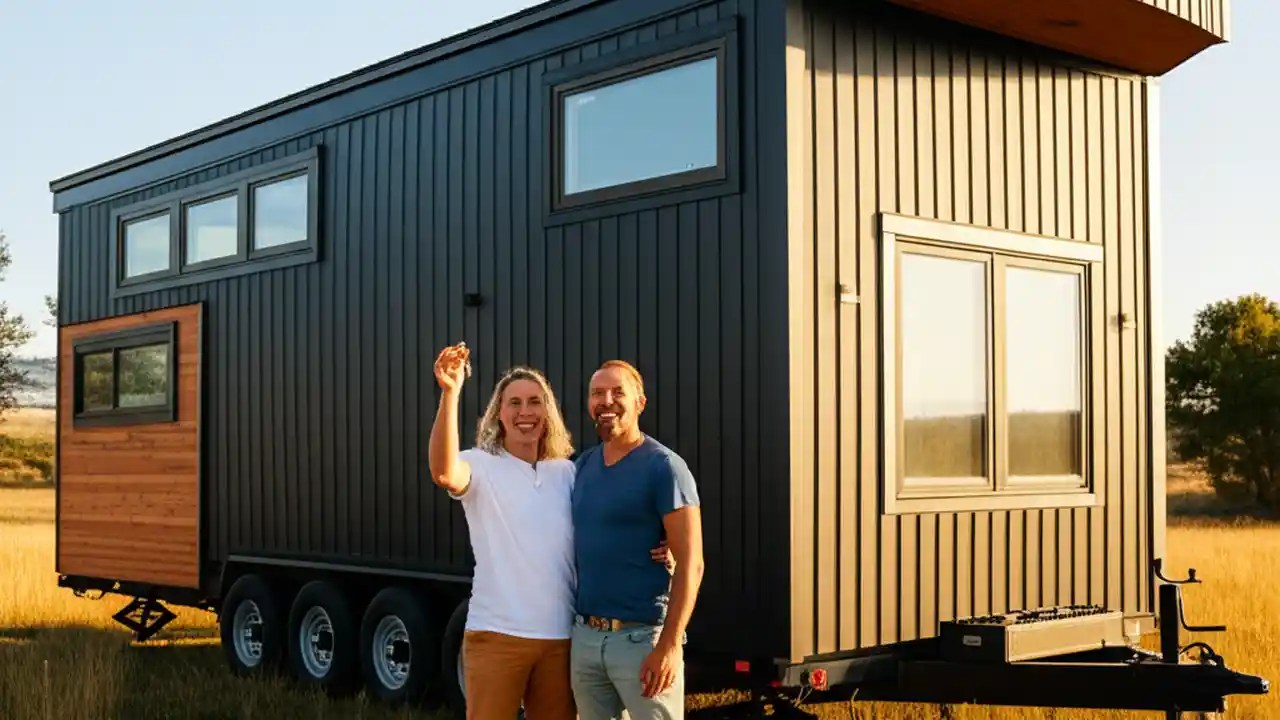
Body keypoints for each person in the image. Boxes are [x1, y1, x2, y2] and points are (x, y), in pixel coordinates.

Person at [427, 343, 671, 720]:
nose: (525, 412)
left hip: (562, 640)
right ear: (499, 414)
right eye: (514, 403)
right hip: (496, 636)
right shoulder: (480, 465)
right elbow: (444, 472)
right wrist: (450, 392)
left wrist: (661, 544)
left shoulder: (568, 472)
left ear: (548, 413)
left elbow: (608, 521)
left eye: (534, 402)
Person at [569, 359, 705, 720]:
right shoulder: (582, 467)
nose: (606, 401)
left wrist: (669, 645)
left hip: (642, 641)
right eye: (597, 393)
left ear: (640, 402)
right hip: (585, 639)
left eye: (618, 392)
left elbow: (692, 563)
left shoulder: (664, 467)